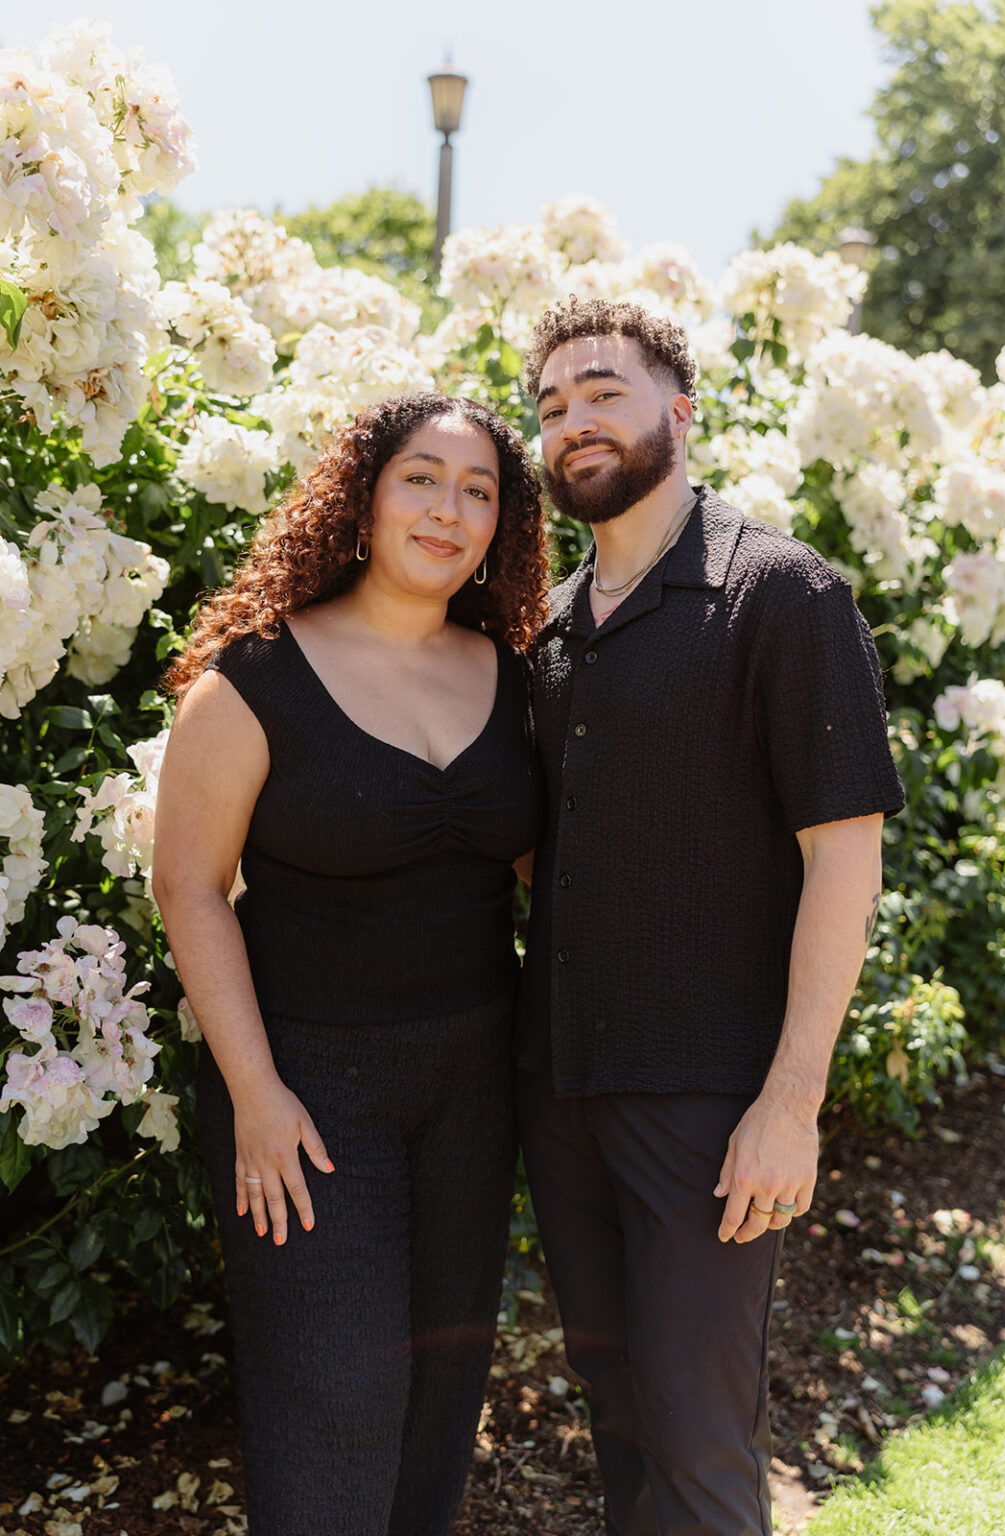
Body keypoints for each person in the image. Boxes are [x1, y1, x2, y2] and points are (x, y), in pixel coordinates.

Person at [515, 298, 905, 1536]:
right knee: (619, 1417)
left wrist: (789, 1105)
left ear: (680, 413)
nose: (575, 421)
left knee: (694, 1438)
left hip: (710, 1101)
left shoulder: (780, 594)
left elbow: (845, 861)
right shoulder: (553, 630)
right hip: (565, 1088)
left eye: (602, 392)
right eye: (553, 405)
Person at [152, 392, 548, 1536]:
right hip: (308, 1095)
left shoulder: (511, 676)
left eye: (479, 492)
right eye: (422, 478)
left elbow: (539, 867)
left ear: (500, 529)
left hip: (472, 1084)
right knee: (335, 1402)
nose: (448, 510)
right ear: (363, 498)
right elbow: (190, 888)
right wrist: (256, 1094)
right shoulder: (256, 679)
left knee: (438, 1396)